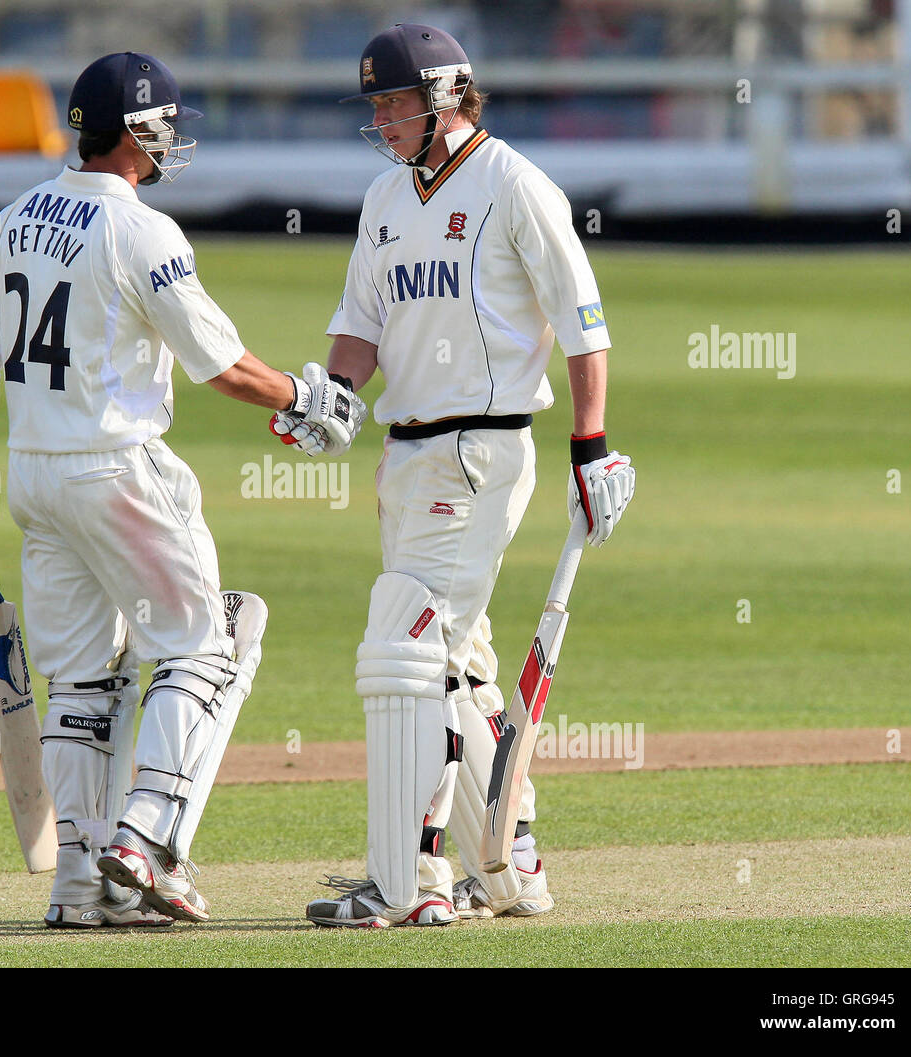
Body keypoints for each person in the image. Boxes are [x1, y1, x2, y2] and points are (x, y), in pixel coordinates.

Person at [0, 51, 365, 929]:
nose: (172, 138)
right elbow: (221, 362)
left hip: (40, 480)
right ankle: (147, 837)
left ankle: (80, 883)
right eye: (162, 122)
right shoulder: (142, 232)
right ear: (132, 132)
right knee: (211, 642)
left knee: (85, 681)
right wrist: (306, 397)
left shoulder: (13, 219)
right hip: (118, 469)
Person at [278, 23, 636, 928]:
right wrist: (331, 397)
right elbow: (360, 327)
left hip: (483, 448)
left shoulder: (515, 185)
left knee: (409, 646)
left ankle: (409, 879)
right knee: (463, 667)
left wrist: (590, 447)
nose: (384, 118)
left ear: (446, 98)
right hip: (406, 454)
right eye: (377, 104)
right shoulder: (384, 199)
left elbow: (584, 325)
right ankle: (509, 864)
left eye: (397, 101)